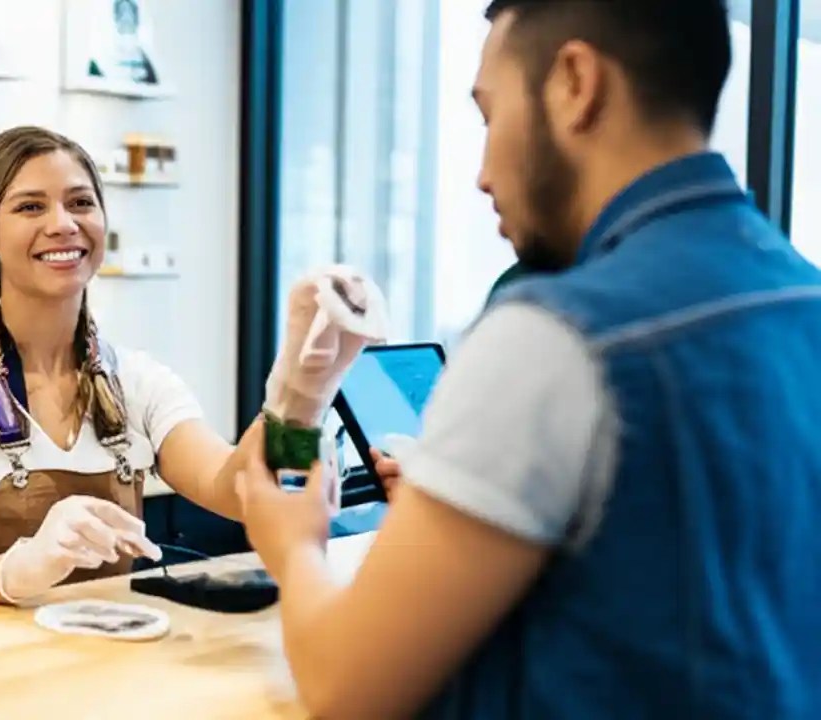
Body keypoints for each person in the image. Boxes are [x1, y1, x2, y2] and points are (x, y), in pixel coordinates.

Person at [236, 2, 821, 719]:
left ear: (576, 82)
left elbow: (344, 689)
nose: (482, 174)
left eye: (489, 115)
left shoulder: (553, 339)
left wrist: (296, 547)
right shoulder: (802, 295)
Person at [0, 126, 391, 611]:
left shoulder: (138, 383)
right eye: (30, 207)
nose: (63, 224)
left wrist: (302, 389)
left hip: (112, 667)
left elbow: (240, 492)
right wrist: (19, 569)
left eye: (80, 203)